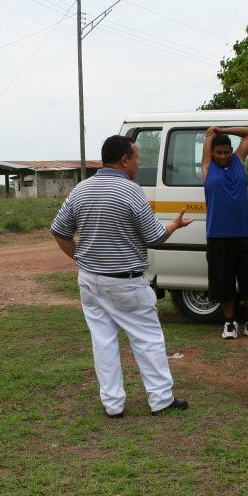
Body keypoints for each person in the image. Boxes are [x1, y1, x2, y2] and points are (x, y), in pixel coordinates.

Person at [51, 134, 191, 418]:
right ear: (124, 159)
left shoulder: (81, 190)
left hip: (90, 280)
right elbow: (153, 236)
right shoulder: (131, 191)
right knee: (147, 338)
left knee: (102, 342)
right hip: (126, 282)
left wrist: (79, 258)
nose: (138, 164)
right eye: (136, 157)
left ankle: (113, 405)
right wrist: (174, 225)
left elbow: (59, 231)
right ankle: (161, 399)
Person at [200, 126, 248, 339]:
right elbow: (209, 138)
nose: (223, 156)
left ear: (231, 151)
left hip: (243, 233)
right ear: (212, 153)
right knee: (223, 281)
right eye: (218, 152)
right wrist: (211, 134)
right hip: (217, 235)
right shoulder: (207, 167)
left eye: (226, 151)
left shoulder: (239, 162)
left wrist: (222, 129)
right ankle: (230, 323)